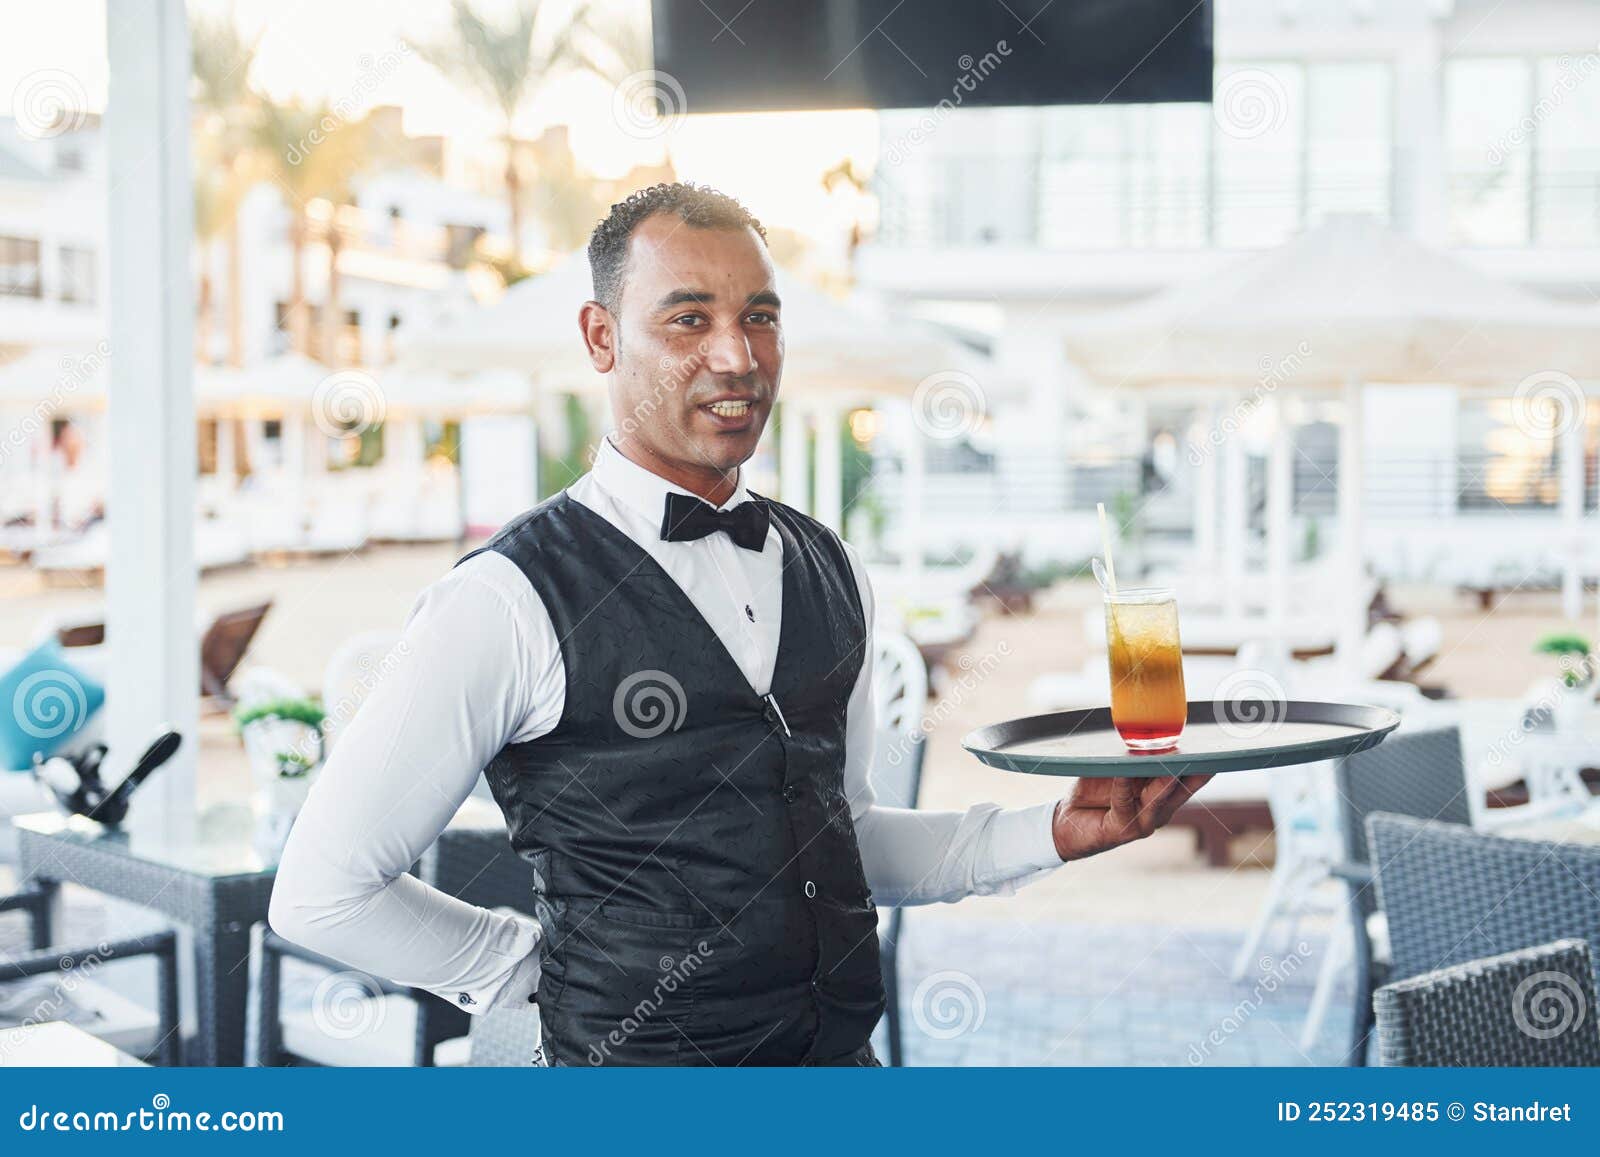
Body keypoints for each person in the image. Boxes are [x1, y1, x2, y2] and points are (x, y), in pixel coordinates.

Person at [268, 182, 1212, 1067]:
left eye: (760, 316)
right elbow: (321, 890)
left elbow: (849, 839)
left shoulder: (829, 564)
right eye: (689, 319)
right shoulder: (505, 598)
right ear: (601, 338)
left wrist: (1051, 829)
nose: (738, 355)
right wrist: (524, 968)